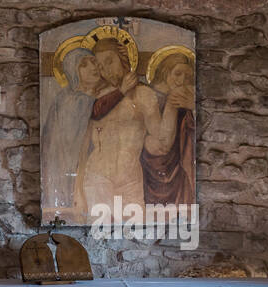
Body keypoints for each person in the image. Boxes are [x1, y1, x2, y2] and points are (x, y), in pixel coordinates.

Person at [73, 37, 179, 219]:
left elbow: (163, 142)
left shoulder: (144, 95)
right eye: (100, 66)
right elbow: (82, 149)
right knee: (102, 237)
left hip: (131, 180)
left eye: (109, 61)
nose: (106, 70)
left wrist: (172, 103)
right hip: (98, 177)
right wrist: (77, 192)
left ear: (123, 59)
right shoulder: (97, 98)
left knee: (134, 238)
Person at [41, 48, 101, 212]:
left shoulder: (99, 97)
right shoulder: (69, 100)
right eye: (84, 65)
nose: (93, 67)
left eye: (94, 62)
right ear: (73, 72)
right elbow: (67, 144)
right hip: (67, 168)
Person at [141, 53, 196, 206]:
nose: (182, 80)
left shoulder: (186, 95)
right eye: (177, 74)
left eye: (188, 76)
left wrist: (193, 107)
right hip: (150, 161)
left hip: (178, 160)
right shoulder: (148, 95)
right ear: (165, 72)